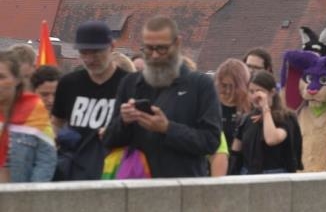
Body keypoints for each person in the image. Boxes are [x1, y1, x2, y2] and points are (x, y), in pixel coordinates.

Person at [104, 16, 221, 178]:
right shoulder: (130, 83)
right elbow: (109, 140)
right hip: (138, 186)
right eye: (149, 49)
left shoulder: (200, 85)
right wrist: (123, 121)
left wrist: (167, 128)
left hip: (183, 189)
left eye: (162, 49)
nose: (155, 55)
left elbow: (211, 142)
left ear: (177, 44)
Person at [51, 20, 129, 180]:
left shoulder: (129, 84)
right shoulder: (68, 83)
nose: (89, 59)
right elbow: (56, 122)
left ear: (112, 47)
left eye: (95, 52)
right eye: (84, 53)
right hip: (74, 170)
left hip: (114, 170)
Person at [0, 50, 56, 183]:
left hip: (20, 196)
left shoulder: (35, 109)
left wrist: (28, 196)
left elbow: (46, 160)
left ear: (17, 80)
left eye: (1, 77)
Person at [231, 70, 302, 174]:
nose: (255, 96)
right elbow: (236, 149)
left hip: (273, 174)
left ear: (272, 92)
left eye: (259, 91)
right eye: (251, 91)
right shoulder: (247, 118)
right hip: (248, 173)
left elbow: (271, 139)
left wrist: (265, 108)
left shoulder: (286, 118)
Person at [214, 58, 252, 146]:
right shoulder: (212, 106)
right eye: (224, 85)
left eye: (232, 87)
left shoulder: (250, 107)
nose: (227, 91)